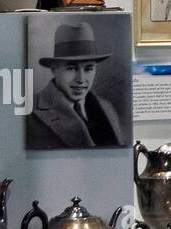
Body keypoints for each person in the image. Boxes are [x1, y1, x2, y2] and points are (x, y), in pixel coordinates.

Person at [27, 20, 124, 149]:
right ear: (54, 69)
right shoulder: (29, 110)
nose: (81, 79)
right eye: (71, 68)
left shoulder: (107, 108)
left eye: (88, 69)